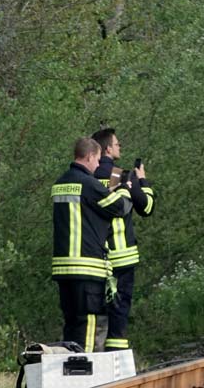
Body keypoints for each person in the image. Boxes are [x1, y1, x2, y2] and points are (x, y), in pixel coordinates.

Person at [53, 138, 132, 351]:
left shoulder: (60, 183)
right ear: (89, 156)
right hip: (87, 268)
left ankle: (70, 368)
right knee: (88, 326)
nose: (98, 166)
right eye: (97, 160)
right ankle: (84, 368)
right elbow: (120, 208)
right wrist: (124, 189)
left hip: (63, 269)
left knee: (72, 326)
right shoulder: (88, 184)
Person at [91, 128, 156, 352]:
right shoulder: (122, 176)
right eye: (118, 144)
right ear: (108, 149)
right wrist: (142, 180)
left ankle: (94, 355)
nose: (120, 147)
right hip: (122, 257)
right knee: (119, 310)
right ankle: (116, 357)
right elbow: (147, 207)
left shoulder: (87, 178)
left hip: (94, 258)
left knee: (96, 311)